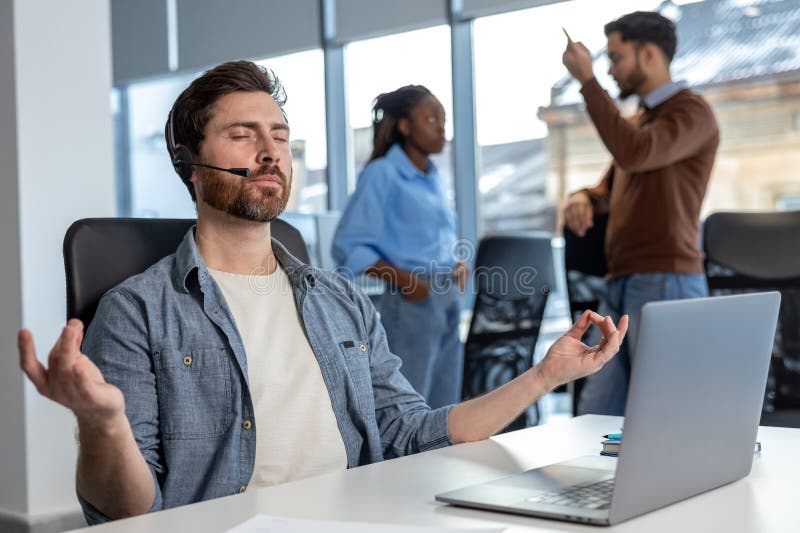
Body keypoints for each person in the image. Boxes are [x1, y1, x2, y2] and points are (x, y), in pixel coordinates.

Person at [17, 60, 628, 524]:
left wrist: (545, 377)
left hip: (362, 519)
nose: (270, 152)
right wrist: (103, 424)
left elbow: (413, 432)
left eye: (279, 136)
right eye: (243, 135)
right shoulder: (138, 311)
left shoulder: (340, 302)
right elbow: (130, 513)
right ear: (191, 163)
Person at [561, 11, 719, 416]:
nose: (610, 69)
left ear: (648, 54)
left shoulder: (691, 113)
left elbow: (635, 152)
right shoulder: (640, 121)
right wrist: (582, 194)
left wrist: (588, 82)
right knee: (597, 414)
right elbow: (609, 185)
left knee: (671, 412)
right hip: (622, 282)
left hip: (668, 280)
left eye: (615, 58)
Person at [332, 85, 467, 409]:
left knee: (445, 401)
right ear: (405, 126)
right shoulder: (383, 173)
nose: (441, 128)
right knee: (407, 405)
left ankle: (441, 462)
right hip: (413, 299)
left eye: (443, 120)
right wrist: (406, 281)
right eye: (431, 119)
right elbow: (348, 245)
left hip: (446, 296)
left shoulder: (433, 177)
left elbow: (434, 239)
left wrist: (456, 263)